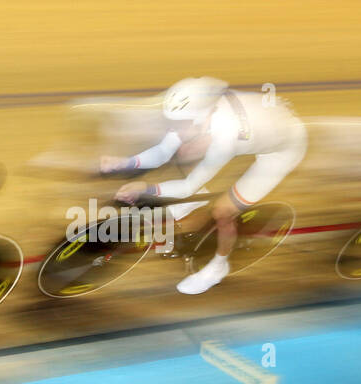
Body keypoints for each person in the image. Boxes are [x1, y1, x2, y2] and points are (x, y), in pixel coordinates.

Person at [101, 77, 308, 294]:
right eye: (172, 121)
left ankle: (218, 267)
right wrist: (124, 162)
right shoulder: (199, 109)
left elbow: (189, 186)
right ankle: (192, 204)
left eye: (180, 124)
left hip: (284, 150)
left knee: (223, 210)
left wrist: (147, 189)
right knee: (184, 151)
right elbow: (163, 151)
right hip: (268, 122)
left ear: (201, 117)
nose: (174, 129)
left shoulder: (225, 138)